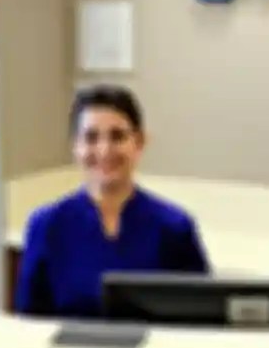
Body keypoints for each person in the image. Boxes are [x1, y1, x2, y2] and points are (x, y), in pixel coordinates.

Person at [14, 85, 210, 318]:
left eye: (117, 136)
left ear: (139, 143)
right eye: (91, 137)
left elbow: (202, 320)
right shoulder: (46, 226)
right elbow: (28, 325)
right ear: (75, 147)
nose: (104, 150)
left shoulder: (175, 227)